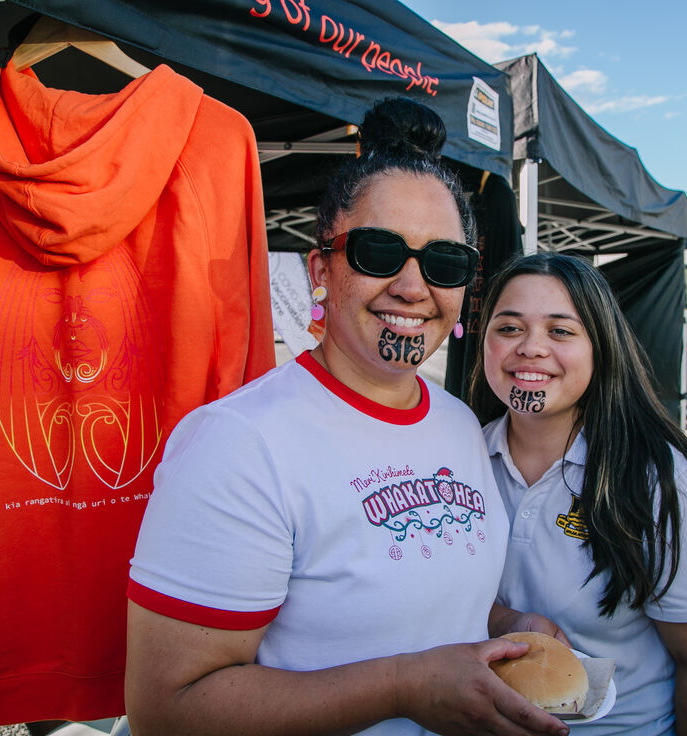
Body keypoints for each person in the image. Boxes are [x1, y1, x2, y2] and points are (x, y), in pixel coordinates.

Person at [123, 99, 569, 736]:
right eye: (378, 251)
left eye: (444, 262)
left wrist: (505, 625)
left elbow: (423, 603)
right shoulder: (239, 445)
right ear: (321, 271)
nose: (412, 287)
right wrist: (402, 688)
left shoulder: (458, 425)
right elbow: (167, 709)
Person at [468, 252, 687, 735]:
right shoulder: (456, 461)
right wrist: (506, 621)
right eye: (509, 328)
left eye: (560, 331)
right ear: (484, 342)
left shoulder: (660, 479)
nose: (531, 347)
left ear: (601, 346)